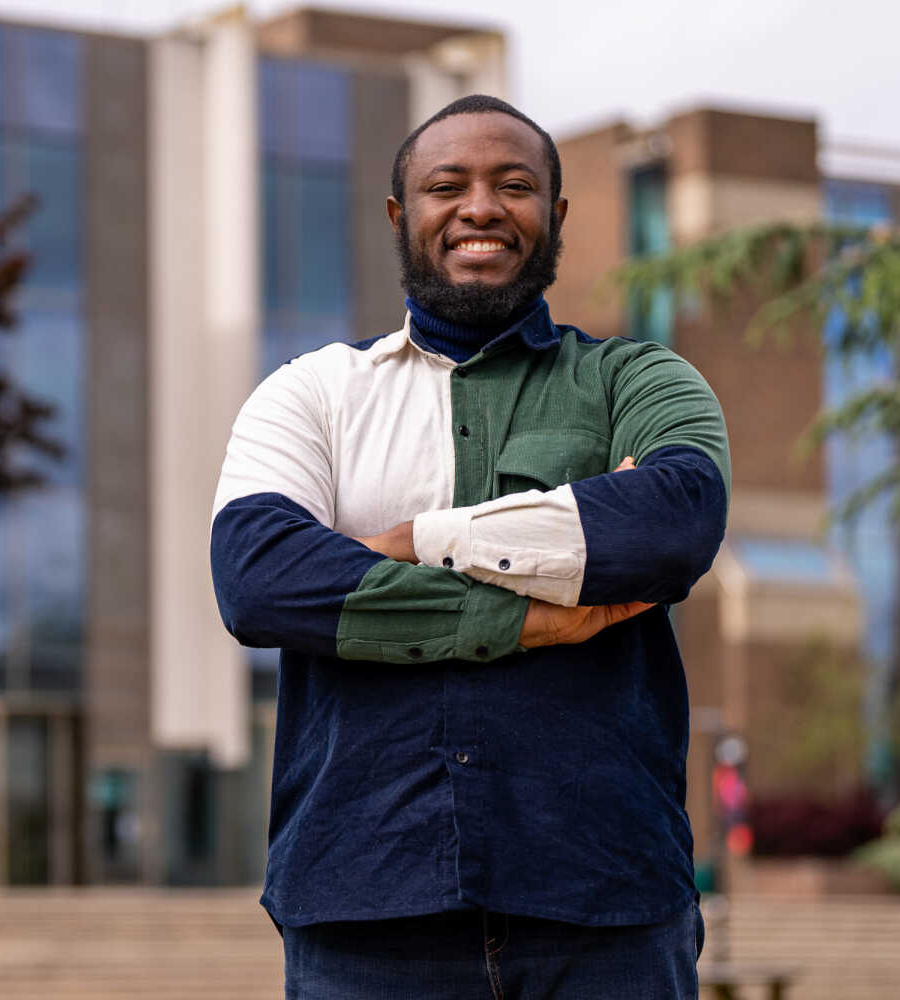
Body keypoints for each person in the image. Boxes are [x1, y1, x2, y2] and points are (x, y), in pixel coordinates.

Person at [210, 94, 728, 999]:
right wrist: (526, 613)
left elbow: (673, 521)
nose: (480, 208)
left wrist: (419, 540)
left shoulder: (639, 381)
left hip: (607, 900)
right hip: (366, 906)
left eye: (513, 186)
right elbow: (259, 580)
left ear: (554, 215)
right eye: (447, 186)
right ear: (399, 214)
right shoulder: (310, 395)